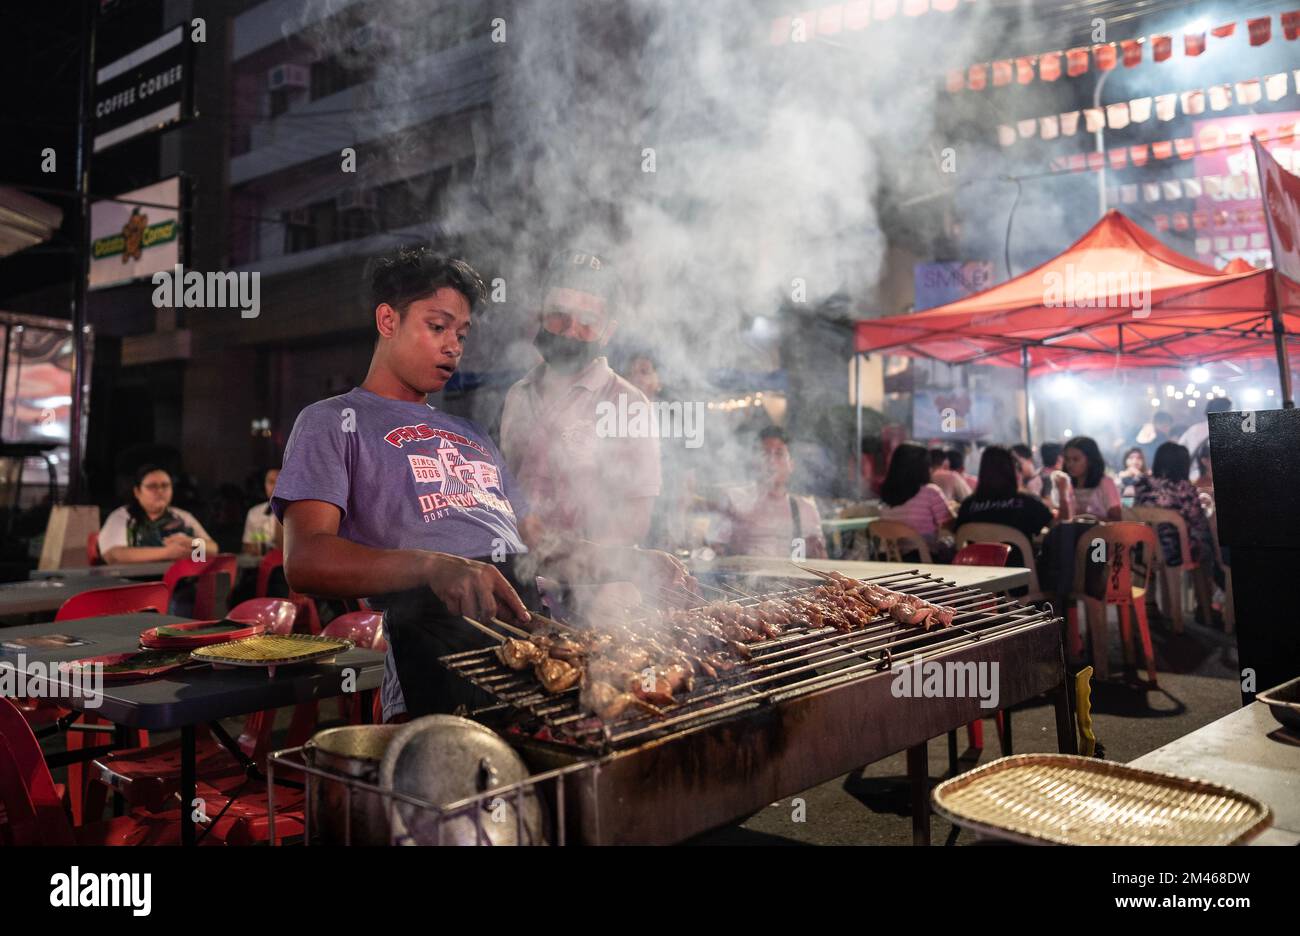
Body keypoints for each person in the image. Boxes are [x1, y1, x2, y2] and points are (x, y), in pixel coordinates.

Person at [272, 247, 689, 722]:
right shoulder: (332, 422)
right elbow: (304, 561)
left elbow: (538, 545)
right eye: (437, 326)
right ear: (388, 320)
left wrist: (628, 563)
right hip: (428, 649)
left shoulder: (473, 436)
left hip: (530, 650)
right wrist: (435, 566)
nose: (453, 346)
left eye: (461, 333)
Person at [499, 250, 661, 544]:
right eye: (559, 316)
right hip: (516, 573)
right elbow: (505, 486)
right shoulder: (518, 395)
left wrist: (577, 565)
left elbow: (636, 516)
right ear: (541, 316)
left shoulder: (628, 404)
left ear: (608, 331)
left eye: (587, 320)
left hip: (588, 581)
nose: (570, 330)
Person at [710, 426, 827, 559]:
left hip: (791, 578)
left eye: (779, 454)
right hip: (742, 578)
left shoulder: (804, 509)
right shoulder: (734, 500)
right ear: (754, 462)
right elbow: (714, 549)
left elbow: (816, 561)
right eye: (765, 453)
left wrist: (816, 550)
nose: (771, 461)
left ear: (791, 465)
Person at [955, 445, 1059, 567]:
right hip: (1021, 577)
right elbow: (1055, 526)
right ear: (1011, 469)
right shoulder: (1027, 502)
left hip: (979, 578)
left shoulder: (968, 505)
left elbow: (958, 534)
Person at [98, 465, 219, 564]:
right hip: (133, 584)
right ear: (137, 492)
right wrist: (167, 553)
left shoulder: (182, 516)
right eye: (152, 486)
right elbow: (114, 555)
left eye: (165, 486)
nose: (160, 491)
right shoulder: (123, 517)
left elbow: (213, 549)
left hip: (180, 584)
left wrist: (190, 543)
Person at [1133, 441, 1213, 572]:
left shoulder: (1142, 484)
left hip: (1143, 551)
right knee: (1211, 546)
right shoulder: (1184, 488)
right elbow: (1199, 523)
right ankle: (1204, 591)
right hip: (1176, 554)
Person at [879, 442, 956, 556]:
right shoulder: (930, 492)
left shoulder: (886, 494)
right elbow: (949, 525)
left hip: (889, 559)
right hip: (923, 559)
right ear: (923, 467)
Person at [1062, 436, 1122, 521]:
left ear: (1090, 460)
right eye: (1067, 460)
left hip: (1099, 533)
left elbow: (1116, 521)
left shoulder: (1105, 483)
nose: (1070, 464)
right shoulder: (1066, 485)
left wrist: (1087, 517)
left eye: (1076, 459)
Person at [1180, 396, 1232, 481]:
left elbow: (1180, 451)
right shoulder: (1228, 431)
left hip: (1193, 477)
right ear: (1225, 411)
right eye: (1230, 410)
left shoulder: (1193, 430)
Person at [242, 467, 282, 555]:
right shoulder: (255, 513)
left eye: (280, 482)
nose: (275, 486)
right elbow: (247, 546)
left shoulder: (296, 513)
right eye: (271, 482)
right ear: (264, 485)